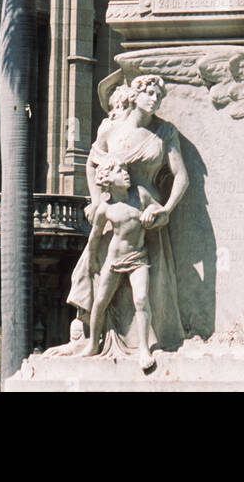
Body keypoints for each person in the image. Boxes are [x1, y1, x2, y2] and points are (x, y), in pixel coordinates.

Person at [66, 74, 188, 355]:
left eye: (159, 95)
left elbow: (181, 176)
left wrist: (166, 209)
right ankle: (98, 343)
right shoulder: (111, 129)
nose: (154, 99)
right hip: (115, 213)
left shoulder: (165, 132)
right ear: (135, 94)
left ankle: (147, 345)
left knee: (149, 293)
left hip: (147, 215)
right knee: (104, 293)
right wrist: (97, 202)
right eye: (149, 93)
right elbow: (91, 163)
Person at [81, 157, 162, 372]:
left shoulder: (141, 195)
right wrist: (91, 260)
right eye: (119, 171)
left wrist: (152, 213)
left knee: (142, 299)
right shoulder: (106, 209)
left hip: (138, 258)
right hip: (113, 261)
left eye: (125, 169)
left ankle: (144, 349)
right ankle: (92, 344)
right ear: (107, 180)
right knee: (100, 302)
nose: (126, 173)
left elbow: (164, 216)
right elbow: (94, 237)